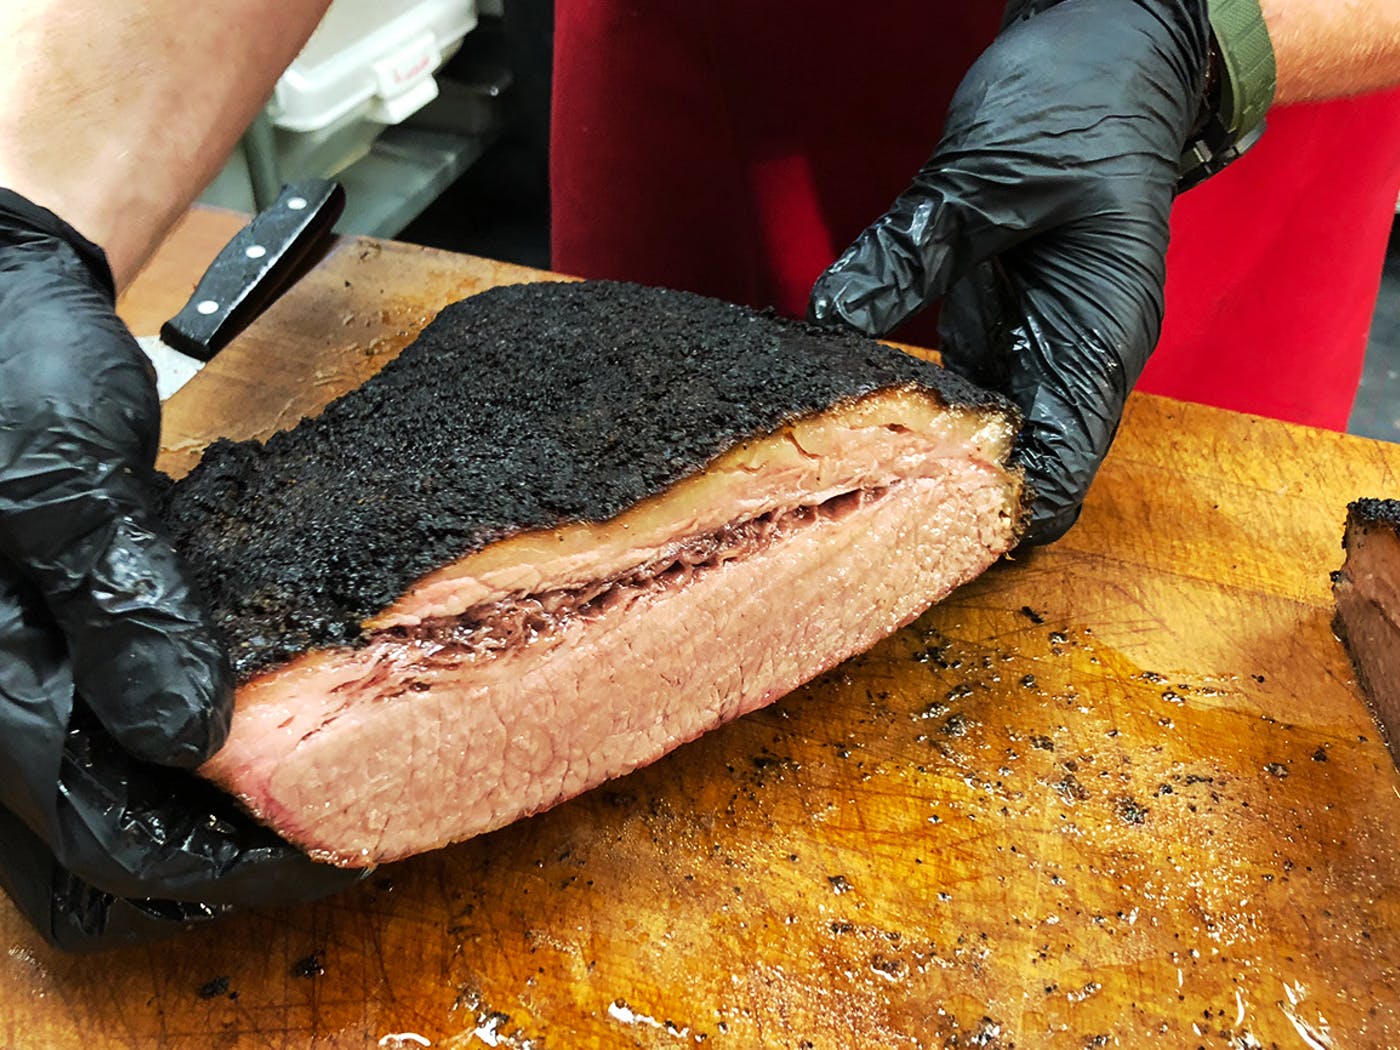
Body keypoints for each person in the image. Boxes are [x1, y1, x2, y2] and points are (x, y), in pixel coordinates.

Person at [0, 0, 1397, 949]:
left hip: (1180, 129)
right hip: (718, 54)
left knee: (1168, 591)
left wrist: (1213, 36)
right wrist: (38, 205)